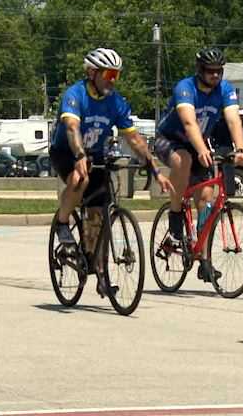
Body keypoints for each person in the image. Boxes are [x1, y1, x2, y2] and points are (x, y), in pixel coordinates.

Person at [50, 47, 173, 297]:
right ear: (93, 72)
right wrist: (80, 155)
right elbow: (72, 128)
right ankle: (63, 223)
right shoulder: (75, 95)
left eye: (116, 75)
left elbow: (135, 139)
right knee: (79, 178)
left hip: (95, 153)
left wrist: (154, 168)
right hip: (66, 151)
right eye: (109, 74)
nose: (112, 80)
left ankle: (101, 273)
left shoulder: (116, 102)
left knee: (100, 213)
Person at [153, 47, 243, 282]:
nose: (215, 76)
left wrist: (241, 148)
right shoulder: (185, 88)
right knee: (184, 160)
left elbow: (233, 118)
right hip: (170, 140)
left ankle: (204, 261)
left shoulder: (225, 90)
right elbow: (189, 123)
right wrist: (202, 149)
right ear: (200, 70)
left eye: (219, 71)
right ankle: (176, 219)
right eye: (210, 71)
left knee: (206, 199)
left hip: (198, 144)